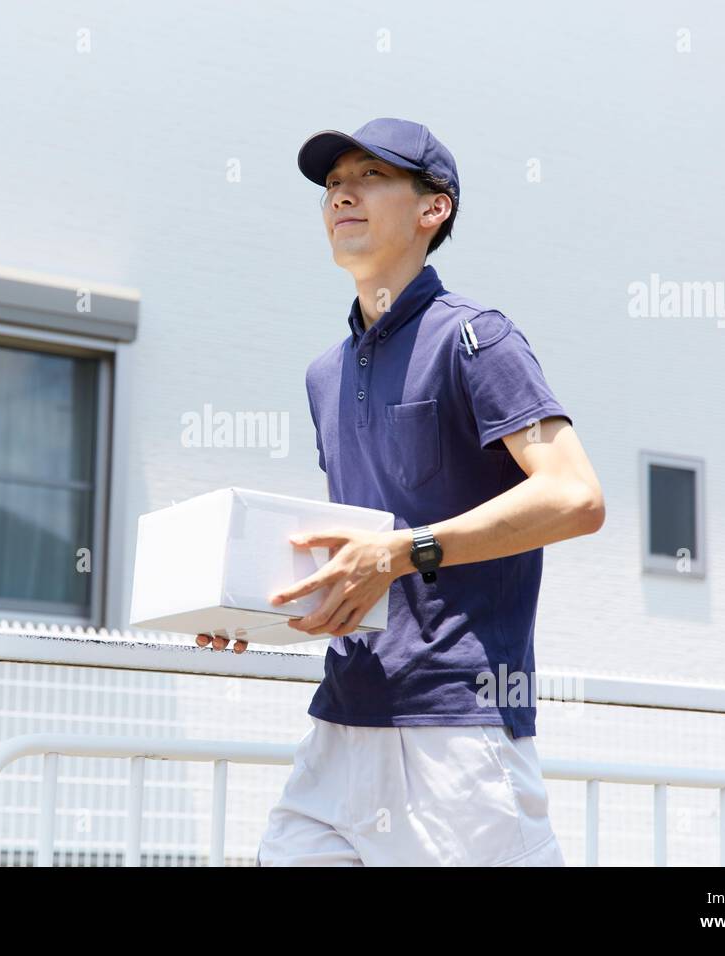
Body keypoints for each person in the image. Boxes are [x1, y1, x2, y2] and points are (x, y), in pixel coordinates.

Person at [197, 117, 604, 866]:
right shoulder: (325, 371)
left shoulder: (478, 338)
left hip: (458, 726)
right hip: (343, 719)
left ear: (432, 208)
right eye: (331, 185)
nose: (341, 194)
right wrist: (249, 609)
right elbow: (361, 548)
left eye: (370, 177)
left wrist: (402, 551)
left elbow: (576, 496)